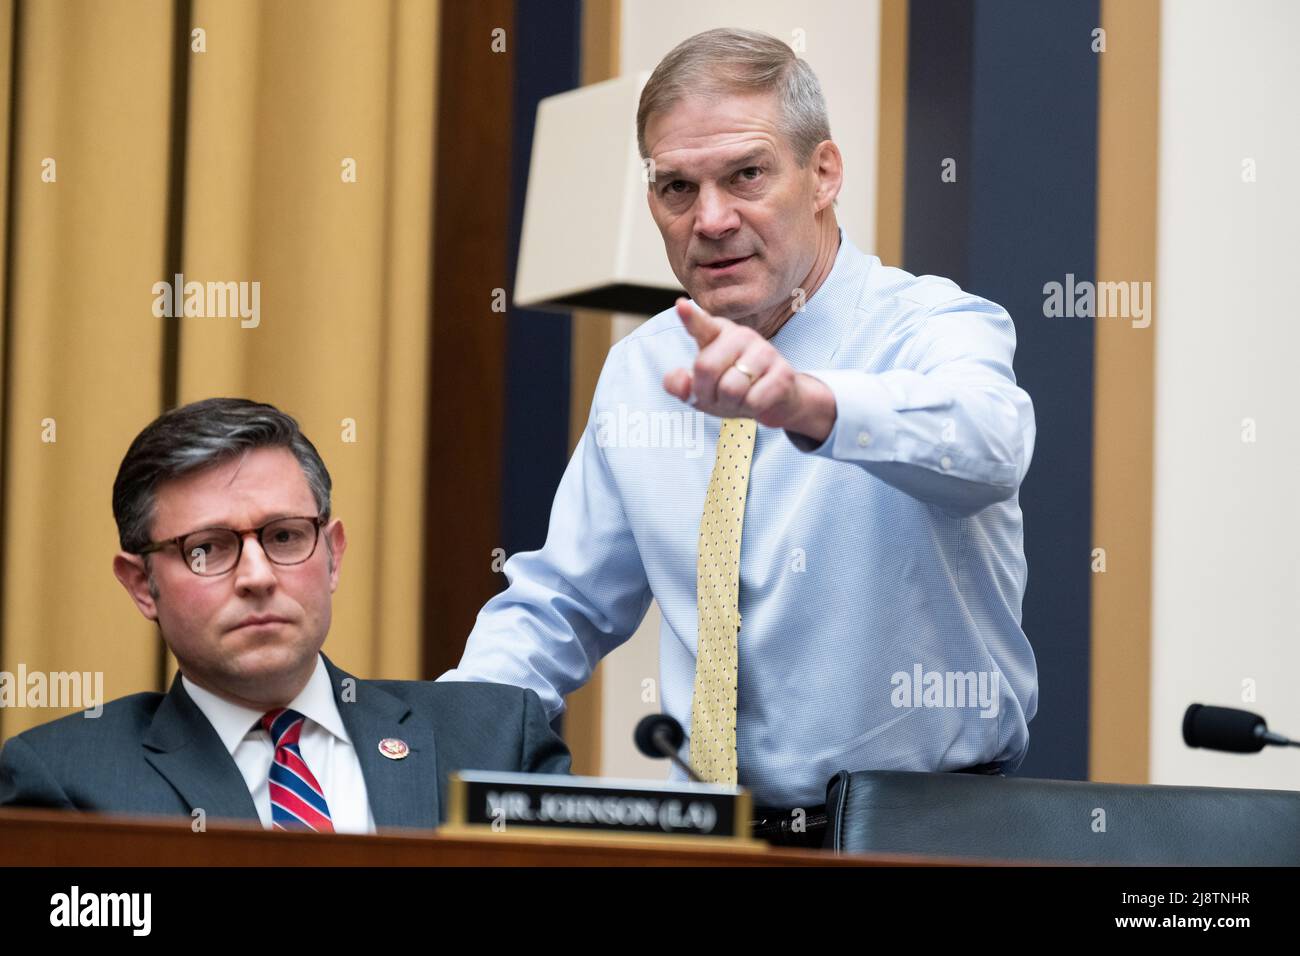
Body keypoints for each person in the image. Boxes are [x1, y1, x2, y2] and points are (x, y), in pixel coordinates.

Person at [443, 27, 1037, 847]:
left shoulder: (931, 324)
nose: (711, 219)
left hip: (928, 832)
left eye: (746, 175)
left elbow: (991, 444)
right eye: (676, 188)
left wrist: (810, 403)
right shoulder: (642, 369)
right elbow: (563, 606)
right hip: (716, 834)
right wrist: (441, 739)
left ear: (823, 173)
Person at [0, 398, 569, 832]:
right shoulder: (67, 780)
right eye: (208, 548)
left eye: (285, 536)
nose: (257, 576)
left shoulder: (493, 739)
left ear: (333, 555)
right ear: (141, 585)